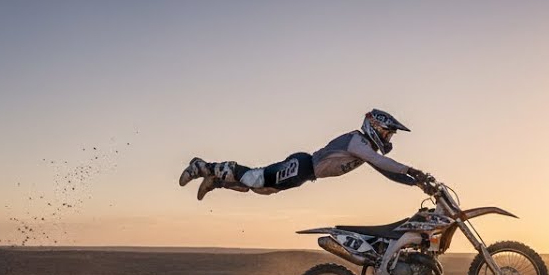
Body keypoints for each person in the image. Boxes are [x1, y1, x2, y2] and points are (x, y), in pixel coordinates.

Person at [177, 109, 429, 200]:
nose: (388, 139)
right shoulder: (358, 141)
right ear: (376, 128)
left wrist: (416, 182)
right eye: (388, 134)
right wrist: (411, 170)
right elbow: (381, 161)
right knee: (255, 179)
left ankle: (216, 182)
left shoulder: (365, 149)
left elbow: (384, 169)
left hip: (305, 174)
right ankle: (202, 166)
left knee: (261, 190)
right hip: (302, 166)